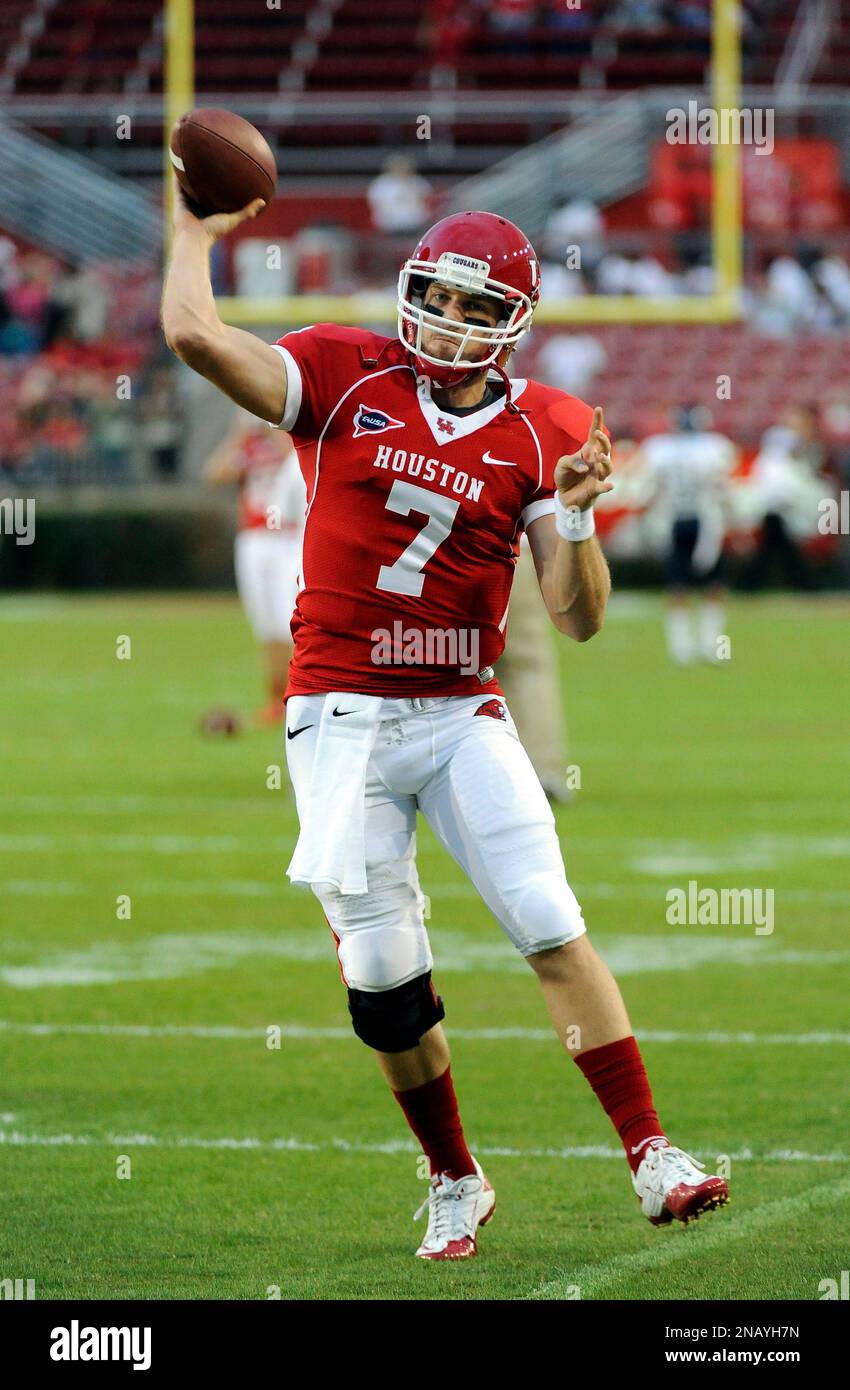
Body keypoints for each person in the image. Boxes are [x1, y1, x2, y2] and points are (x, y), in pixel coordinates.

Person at [163, 190, 729, 1261]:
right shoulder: (342, 372)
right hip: (337, 715)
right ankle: (453, 1175)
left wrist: (573, 516)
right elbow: (195, 334)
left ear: (514, 319)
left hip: (461, 708)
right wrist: (194, 230)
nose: (444, 317)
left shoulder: (549, 426)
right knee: (384, 989)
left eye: (472, 303)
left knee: (548, 920)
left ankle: (653, 1153)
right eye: (431, 293)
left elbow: (576, 615)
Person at [206, 411, 305, 724]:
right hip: (253, 538)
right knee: (265, 624)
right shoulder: (247, 445)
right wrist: (238, 436)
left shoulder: (288, 440)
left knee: (287, 620)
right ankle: (276, 700)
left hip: (288, 537)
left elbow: (300, 465)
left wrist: (275, 430)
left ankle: (299, 697)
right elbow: (214, 474)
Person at [639, 406, 735, 665]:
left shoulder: (661, 449)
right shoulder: (714, 447)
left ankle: (681, 646)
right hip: (706, 521)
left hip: (673, 520)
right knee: (711, 584)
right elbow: (721, 487)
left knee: (678, 584)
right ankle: (709, 643)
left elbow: (653, 489)